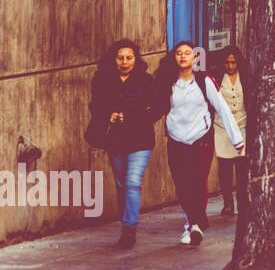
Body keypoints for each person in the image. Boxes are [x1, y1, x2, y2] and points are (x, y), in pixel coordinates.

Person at [157, 40, 243, 247]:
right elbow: (158, 108)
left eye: (187, 53)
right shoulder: (168, 83)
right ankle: (193, 222)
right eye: (179, 53)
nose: (183, 56)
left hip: (201, 139)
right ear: (174, 58)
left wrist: (237, 139)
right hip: (177, 139)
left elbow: (222, 108)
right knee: (182, 183)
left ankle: (194, 224)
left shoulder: (204, 81)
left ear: (195, 58)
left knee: (197, 179)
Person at [88, 39, 161, 249]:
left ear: (136, 59)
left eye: (129, 58)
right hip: (116, 140)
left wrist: (130, 116)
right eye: (120, 58)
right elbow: (95, 105)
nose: (125, 62)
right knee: (121, 185)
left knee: (132, 182)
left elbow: (157, 107)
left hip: (140, 139)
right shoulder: (102, 80)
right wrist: (107, 116)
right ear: (114, 59)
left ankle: (130, 229)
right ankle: (125, 223)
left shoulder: (146, 81)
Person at [213, 46, 251, 217]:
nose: (230, 66)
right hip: (222, 128)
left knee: (242, 167)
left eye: (233, 62)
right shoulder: (217, 78)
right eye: (227, 63)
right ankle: (228, 203)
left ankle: (243, 202)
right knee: (225, 167)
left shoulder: (246, 78)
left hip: (242, 124)